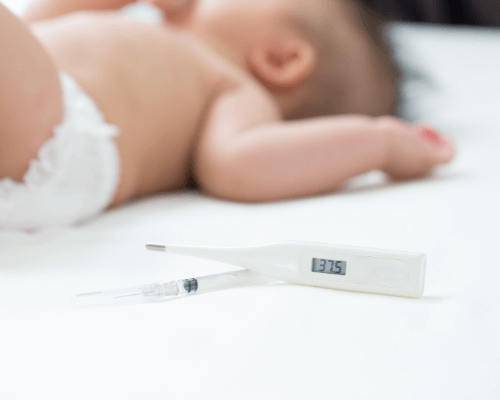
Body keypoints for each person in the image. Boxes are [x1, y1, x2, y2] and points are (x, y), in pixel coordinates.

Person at [0, 0, 454, 230]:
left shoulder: (234, 87)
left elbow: (237, 165)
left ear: (281, 60)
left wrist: (379, 143)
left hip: (62, 135)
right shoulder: (150, 31)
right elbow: (36, 27)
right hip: (36, 103)